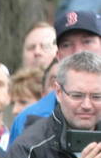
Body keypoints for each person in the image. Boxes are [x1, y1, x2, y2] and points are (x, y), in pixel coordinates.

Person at [9, 9, 101, 142]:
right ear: (58, 56)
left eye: (86, 41)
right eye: (67, 45)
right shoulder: (29, 117)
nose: (78, 51)